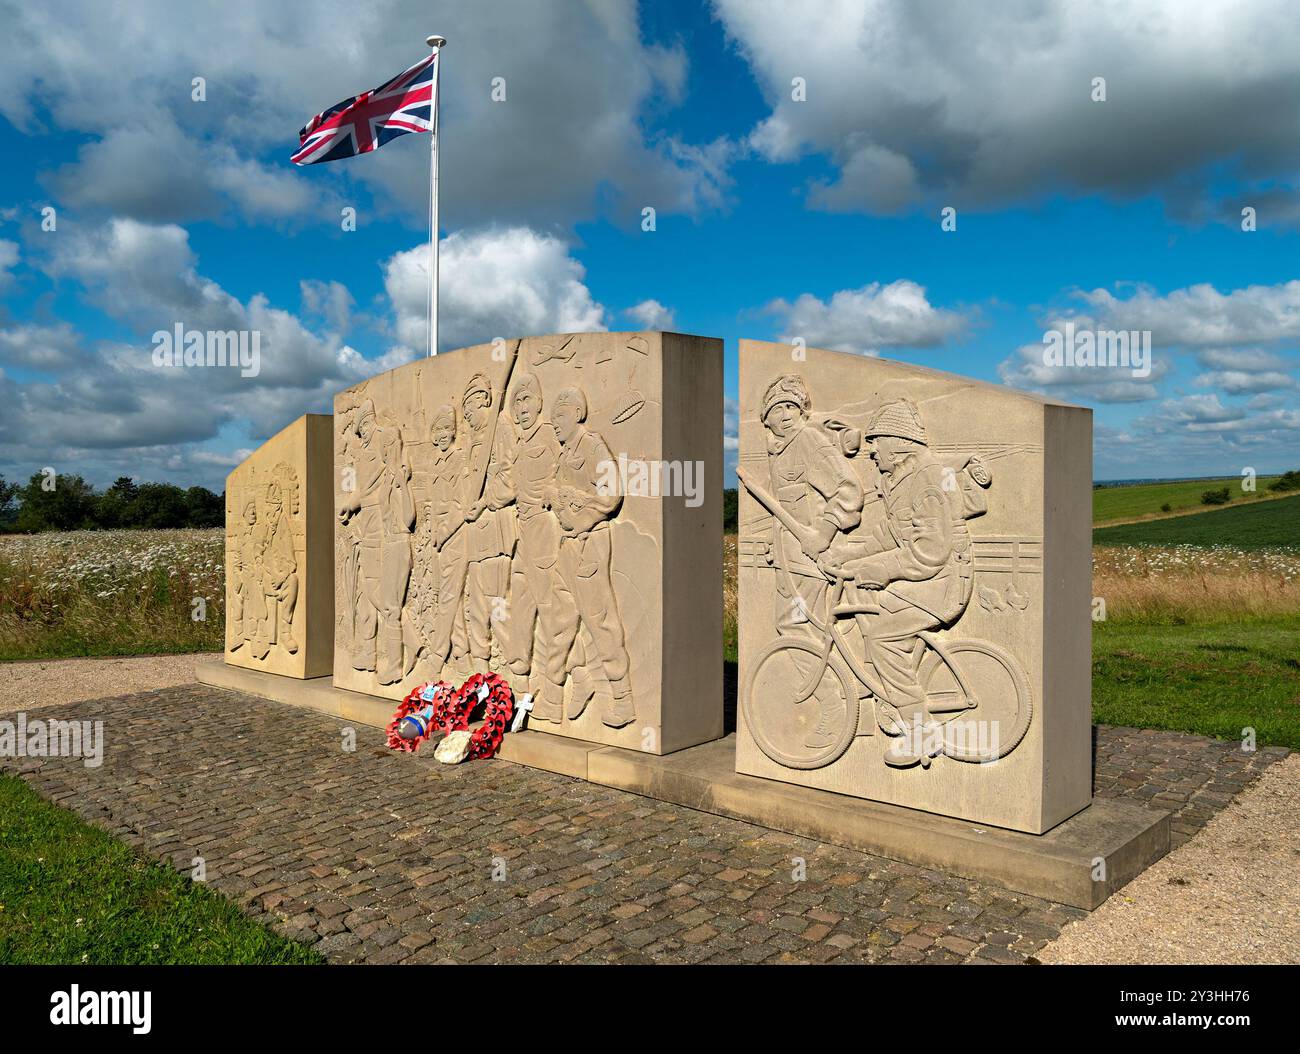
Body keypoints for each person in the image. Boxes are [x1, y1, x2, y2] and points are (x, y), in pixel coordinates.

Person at [836, 399, 974, 767]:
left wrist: (877, 571)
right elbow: (890, 533)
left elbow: (928, 552)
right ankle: (897, 701)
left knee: (882, 637)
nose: (870, 451)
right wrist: (848, 555)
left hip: (941, 582)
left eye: (876, 442)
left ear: (898, 443)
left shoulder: (927, 481)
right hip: (927, 579)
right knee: (871, 611)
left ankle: (921, 734)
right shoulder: (902, 479)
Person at [758, 373, 863, 748]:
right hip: (791, 562)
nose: (784, 415)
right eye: (776, 408)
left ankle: (835, 708)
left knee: (798, 628)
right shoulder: (781, 449)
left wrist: (823, 532)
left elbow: (849, 492)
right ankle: (852, 703)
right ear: (765, 418)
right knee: (809, 629)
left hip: (812, 562)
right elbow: (789, 507)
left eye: (791, 407)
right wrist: (776, 545)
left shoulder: (807, 441)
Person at [544, 386, 635, 727]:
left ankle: (623, 699)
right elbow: (555, 488)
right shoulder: (564, 452)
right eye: (552, 418)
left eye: (560, 416)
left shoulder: (592, 446)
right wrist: (555, 495)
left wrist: (581, 518)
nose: (554, 423)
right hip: (567, 546)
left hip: (589, 544)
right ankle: (555, 695)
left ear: (577, 414)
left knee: (601, 622)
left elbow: (611, 494)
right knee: (559, 623)